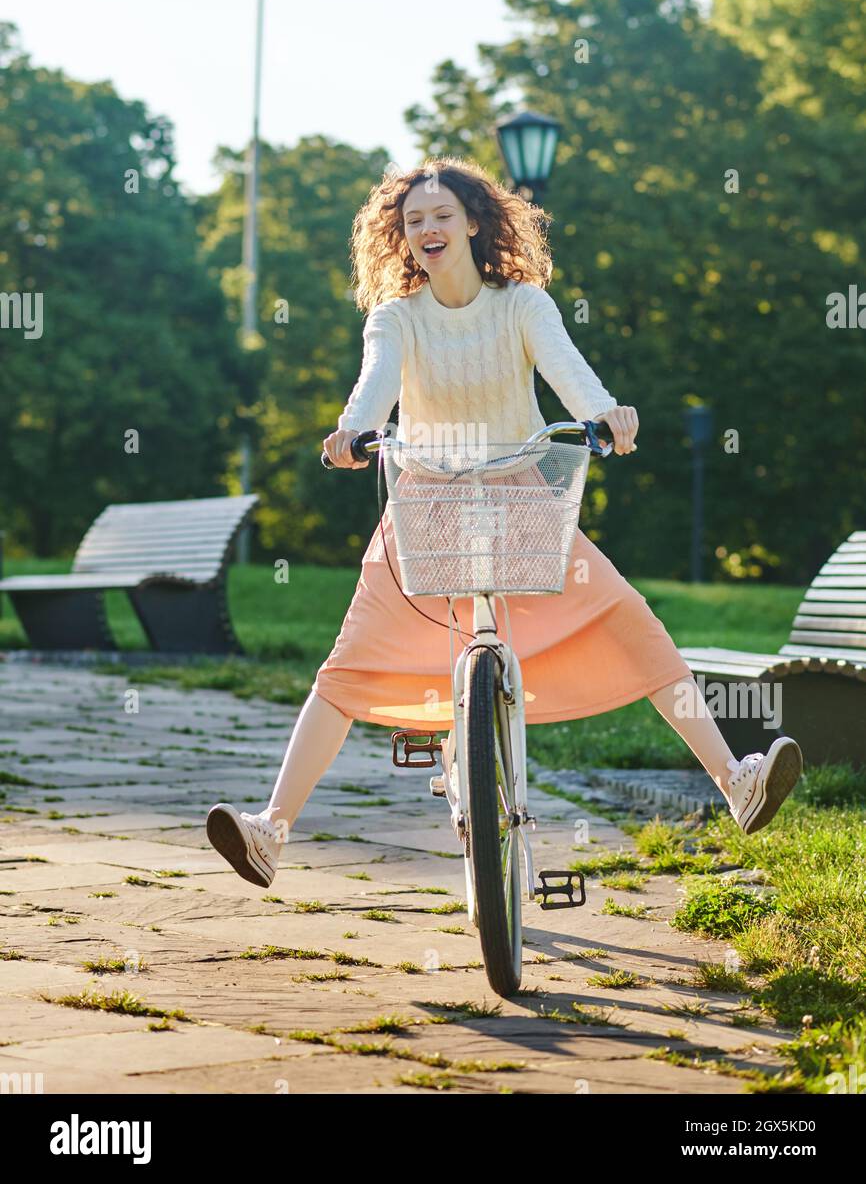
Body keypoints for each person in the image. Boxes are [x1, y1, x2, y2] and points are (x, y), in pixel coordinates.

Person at [207, 157, 802, 888]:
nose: (427, 229)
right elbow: (375, 388)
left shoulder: (522, 304)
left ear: (474, 223)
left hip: (522, 501)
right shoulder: (394, 318)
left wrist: (603, 415)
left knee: (629, 620)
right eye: (413, 220)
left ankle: (734, 782)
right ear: (402, 237)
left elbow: (569, 371)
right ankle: (273, 829)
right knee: (347, 667)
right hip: (425, 505)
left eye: (441, 216)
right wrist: (351, 434)